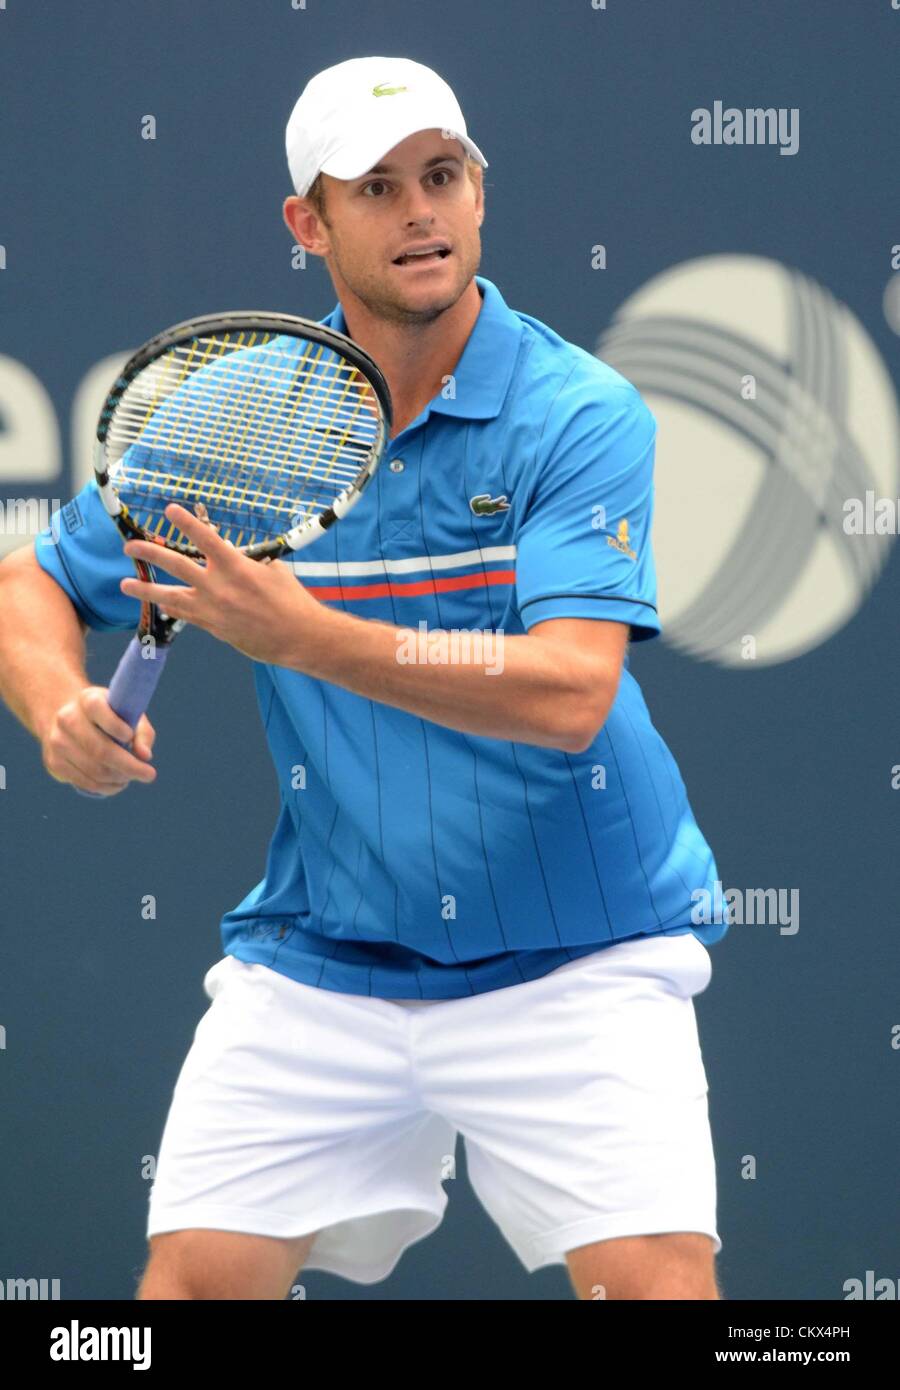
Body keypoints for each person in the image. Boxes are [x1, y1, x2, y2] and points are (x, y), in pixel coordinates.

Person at [0, 55, 729, 1300]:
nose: (419, 212)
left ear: (481, 193)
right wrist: (58, 706)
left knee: (661, 1295)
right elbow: (33, 581)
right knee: (180, 1295)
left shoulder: (578, 414)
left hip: (580, 955)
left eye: (441, 176)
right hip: (327, 951)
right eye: (377, 188)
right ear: (309, 224)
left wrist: (306, 635)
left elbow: (570, 690)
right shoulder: (236, 418)